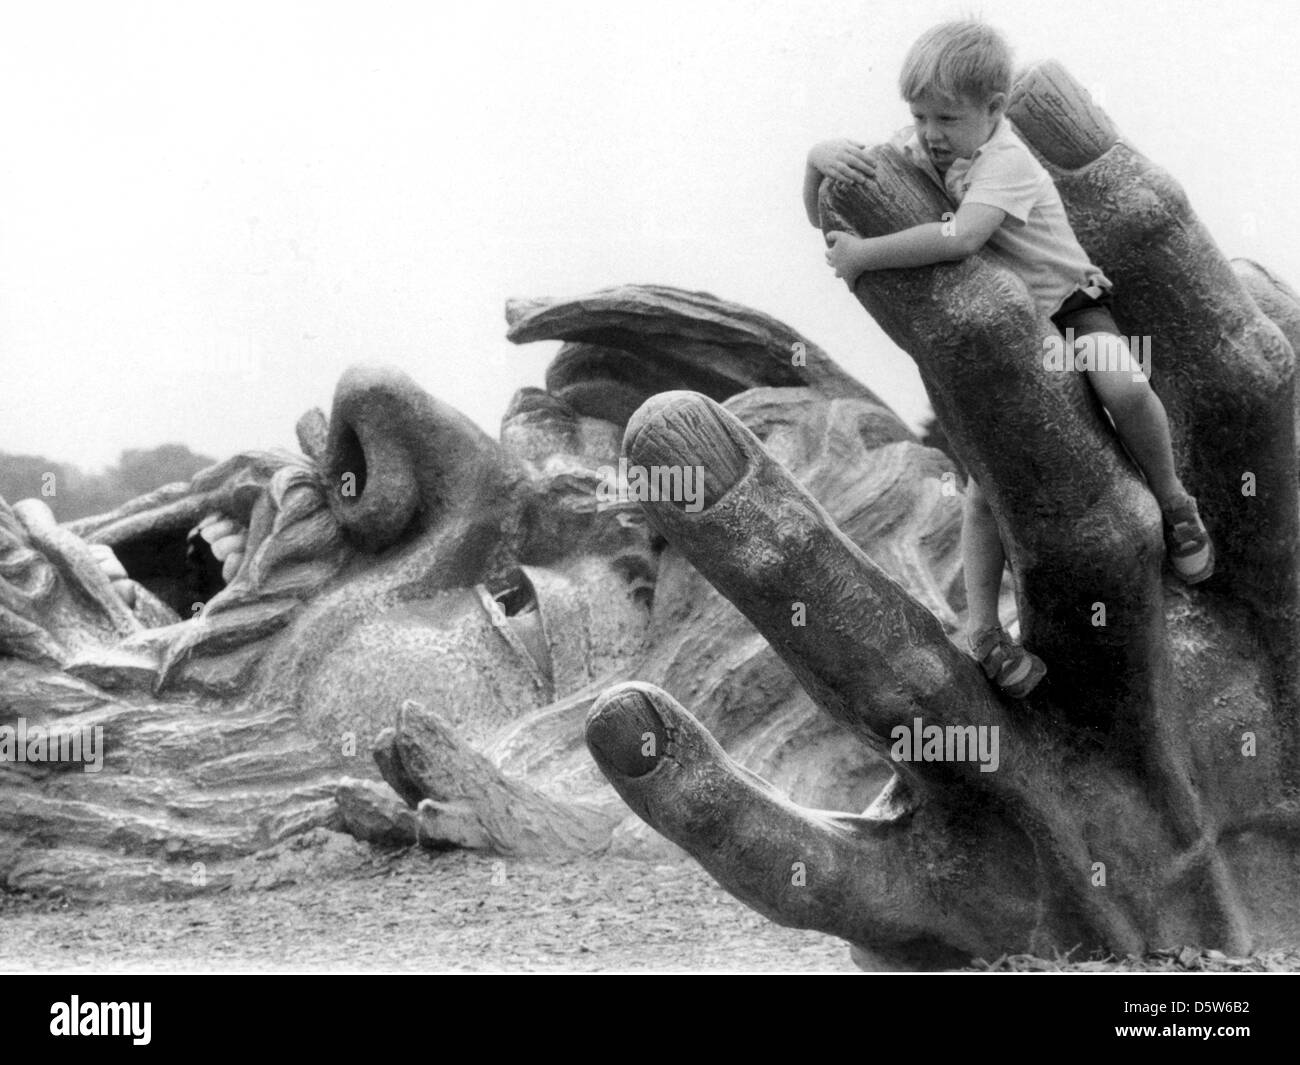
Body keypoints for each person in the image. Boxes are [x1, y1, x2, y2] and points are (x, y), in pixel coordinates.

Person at [802, 19, 1214, 698]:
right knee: (985, 487)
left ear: (994, 111)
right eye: (919, 115)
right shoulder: (927, 153)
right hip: (1007, 343)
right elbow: (828, 216)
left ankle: (1175, 500)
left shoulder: (1007, 163)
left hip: (1065, 305)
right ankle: (984, 630)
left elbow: (961, 238)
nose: (930, 131)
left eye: (947, 117)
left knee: (1125, 386)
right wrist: (816, 159)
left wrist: (865, 257)